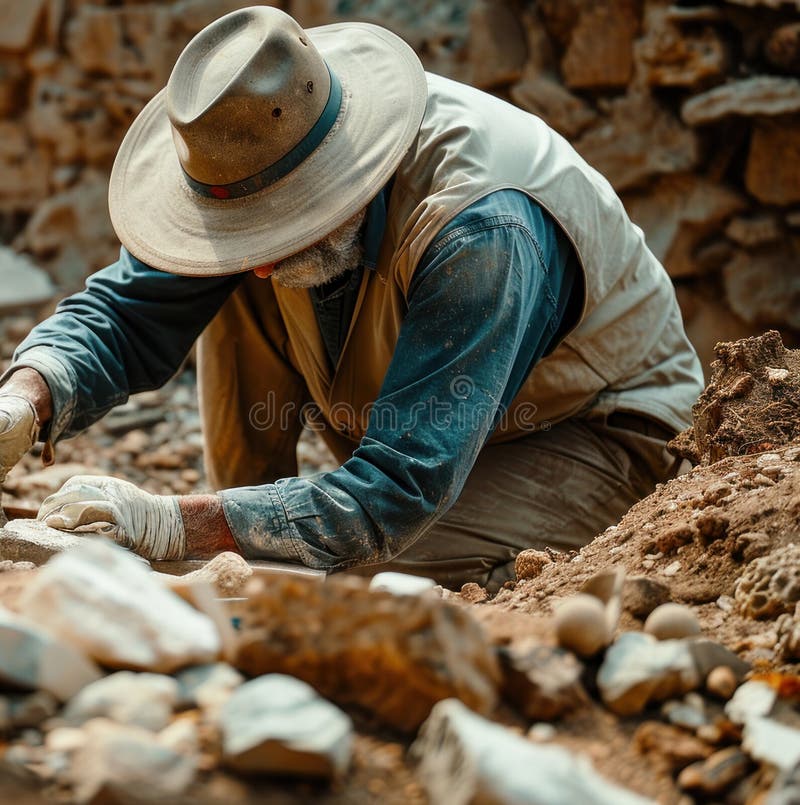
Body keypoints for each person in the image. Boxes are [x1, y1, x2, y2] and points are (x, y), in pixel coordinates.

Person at [0, 7, 704, 590]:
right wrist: (26, 399)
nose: (262, 263)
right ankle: (242, 518)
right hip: (430, 409)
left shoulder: (480, 229)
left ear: (338, 171)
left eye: (277, 225)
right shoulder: (255, 146)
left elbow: (399, 489)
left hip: (592, 430)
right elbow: (126, 309)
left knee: (354, 569)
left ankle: (234, 534)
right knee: (237, 284)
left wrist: (165, 522)